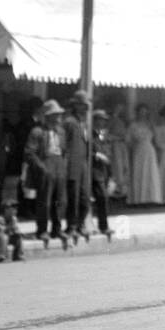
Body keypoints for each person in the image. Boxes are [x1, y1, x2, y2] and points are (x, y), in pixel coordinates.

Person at [27, 100, 68, 247]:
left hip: (59, 167)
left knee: (60, 201)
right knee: (45, 201)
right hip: (46, 166)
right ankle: (42, 230)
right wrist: (42, 167)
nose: (58, 118)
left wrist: (63, 166)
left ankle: (57, 229)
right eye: (54, 115)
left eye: (59, 115)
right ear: (47, 116)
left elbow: (64, 151)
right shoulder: (37, 132)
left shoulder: (61, 132)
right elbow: (30, 153)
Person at [63, 91, 94, 241]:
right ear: (75, 106)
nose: (85, 108)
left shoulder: (84, 123)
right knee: (73, 197)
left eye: (86, 105)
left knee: (84, 197)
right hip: (72, 164)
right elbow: (64, 145)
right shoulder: (70, 122)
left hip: (83, 164)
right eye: (82, 105)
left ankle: (81, 224)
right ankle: (72, 226)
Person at [16, 97, 44, 219]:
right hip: (27, 158)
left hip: (37, 157)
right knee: (25, 183)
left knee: (34, 183)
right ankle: (25, 209)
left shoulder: (40, 124)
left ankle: (32, 209)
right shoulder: (26, 124)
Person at [127, 103, 160, 205]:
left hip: (149, 150)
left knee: (150, 173)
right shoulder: (133, 125)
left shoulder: (150, 125)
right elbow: (128, 139)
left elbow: (157, 139)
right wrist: (133, 147)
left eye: (145, 112)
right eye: (141, 111)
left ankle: (151, 198)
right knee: (138, 173)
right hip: (138, 150)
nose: (143, 114)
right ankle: (138, 199)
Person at [88, 108, 114, 239]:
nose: (101, 123)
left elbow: (109, 153)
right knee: (101, 197)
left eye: (103, 120)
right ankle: (103, 226)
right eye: (99, 120)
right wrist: (96, 155)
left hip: (104, 171)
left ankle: (102, 226)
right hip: (93, 171)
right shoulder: (89, 135)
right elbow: (86, 152)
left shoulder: (104, 136)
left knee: (103, 198)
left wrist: (111, 174)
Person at [108, 103, 131, 200]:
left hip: (123, 147)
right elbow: (106, 134)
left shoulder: (124, 120)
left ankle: (123, 191)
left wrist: (125, 139)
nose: (120, 109)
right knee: (116, 168)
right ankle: (114, 191)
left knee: (124, 167)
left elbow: (127, 134)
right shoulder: (110, 120)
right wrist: (117, 138)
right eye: (118, 107)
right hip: (115, 146)